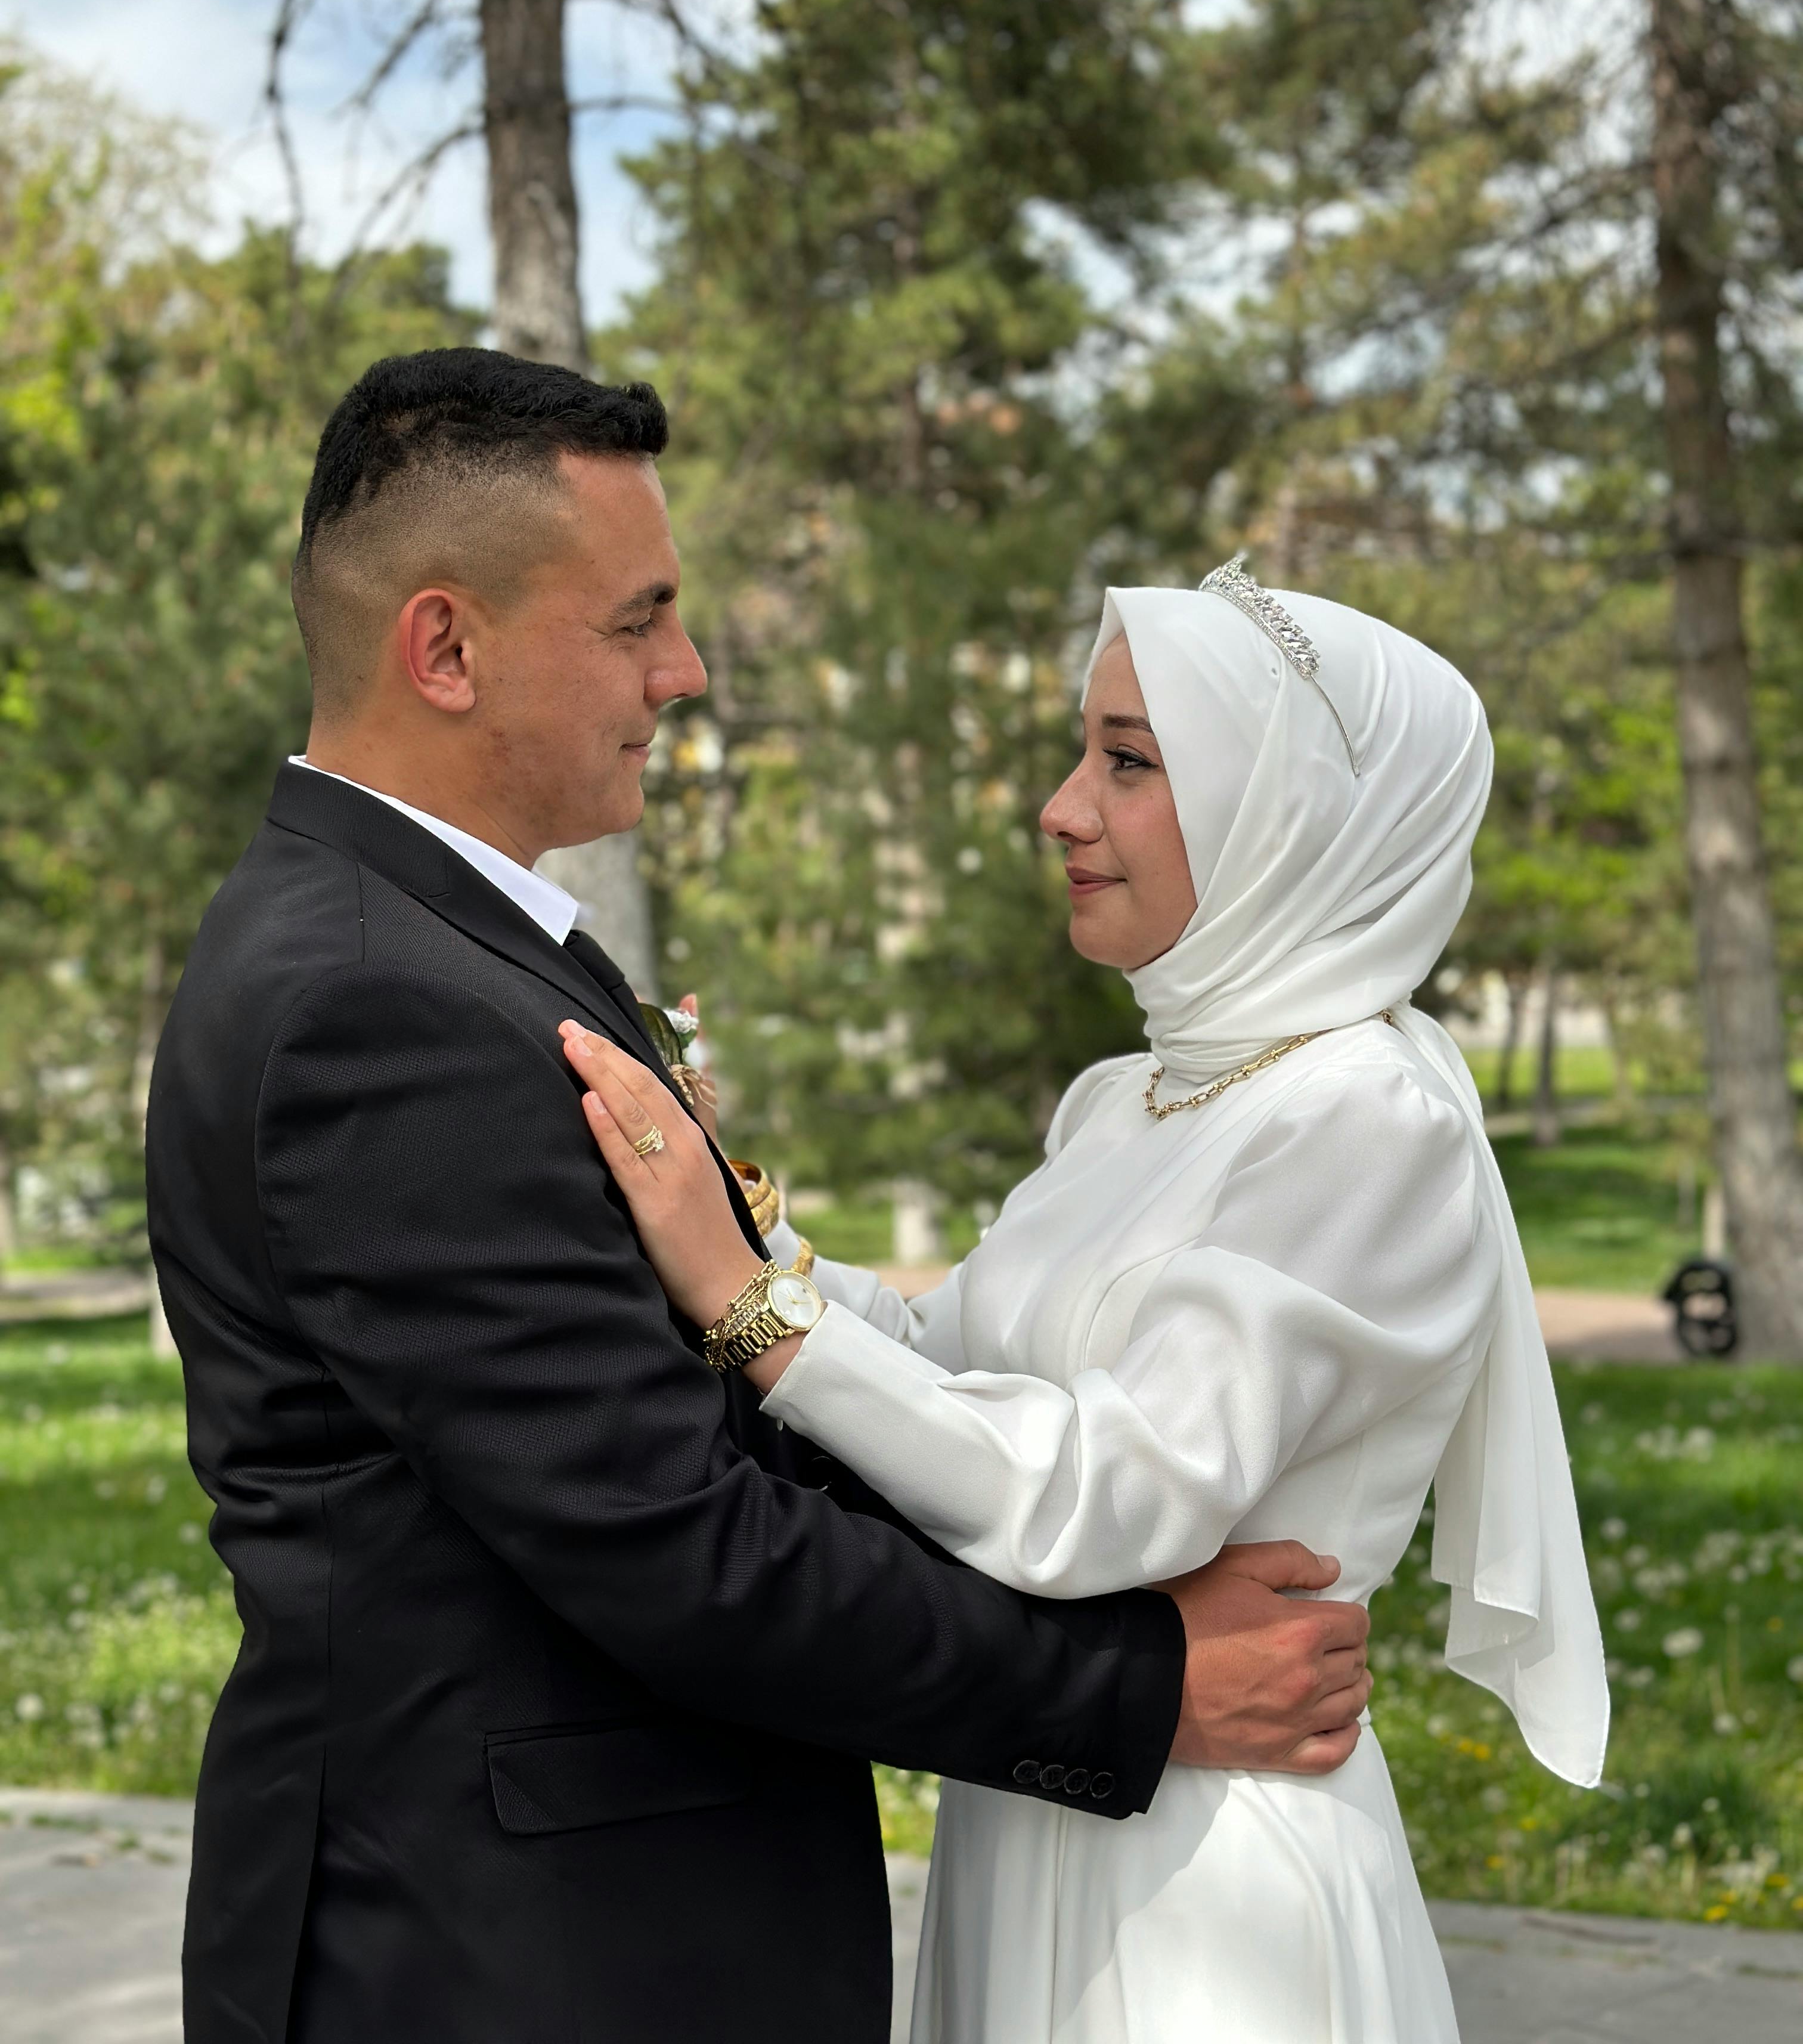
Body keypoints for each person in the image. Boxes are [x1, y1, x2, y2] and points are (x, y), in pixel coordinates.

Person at [145, 351, 1374, 2044]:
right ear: (444, 646)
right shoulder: (373, 1000)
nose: (690, 669)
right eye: (638, 619)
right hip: (506, 1959)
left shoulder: (432, 948)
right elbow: (673, 1545)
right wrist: (1141, 1686)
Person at [563, 566, 1612, 2044]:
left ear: (1286, 811)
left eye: (1129, 760)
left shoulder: (1369, 1120)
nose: (1061, 807)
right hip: (1056, 1798)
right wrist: (739, 1225)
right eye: (1083, 751)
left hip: (1208, 1885)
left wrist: (749, 1306)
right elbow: (947, 1361)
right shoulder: (1128, 1101)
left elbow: (1106, 1497)